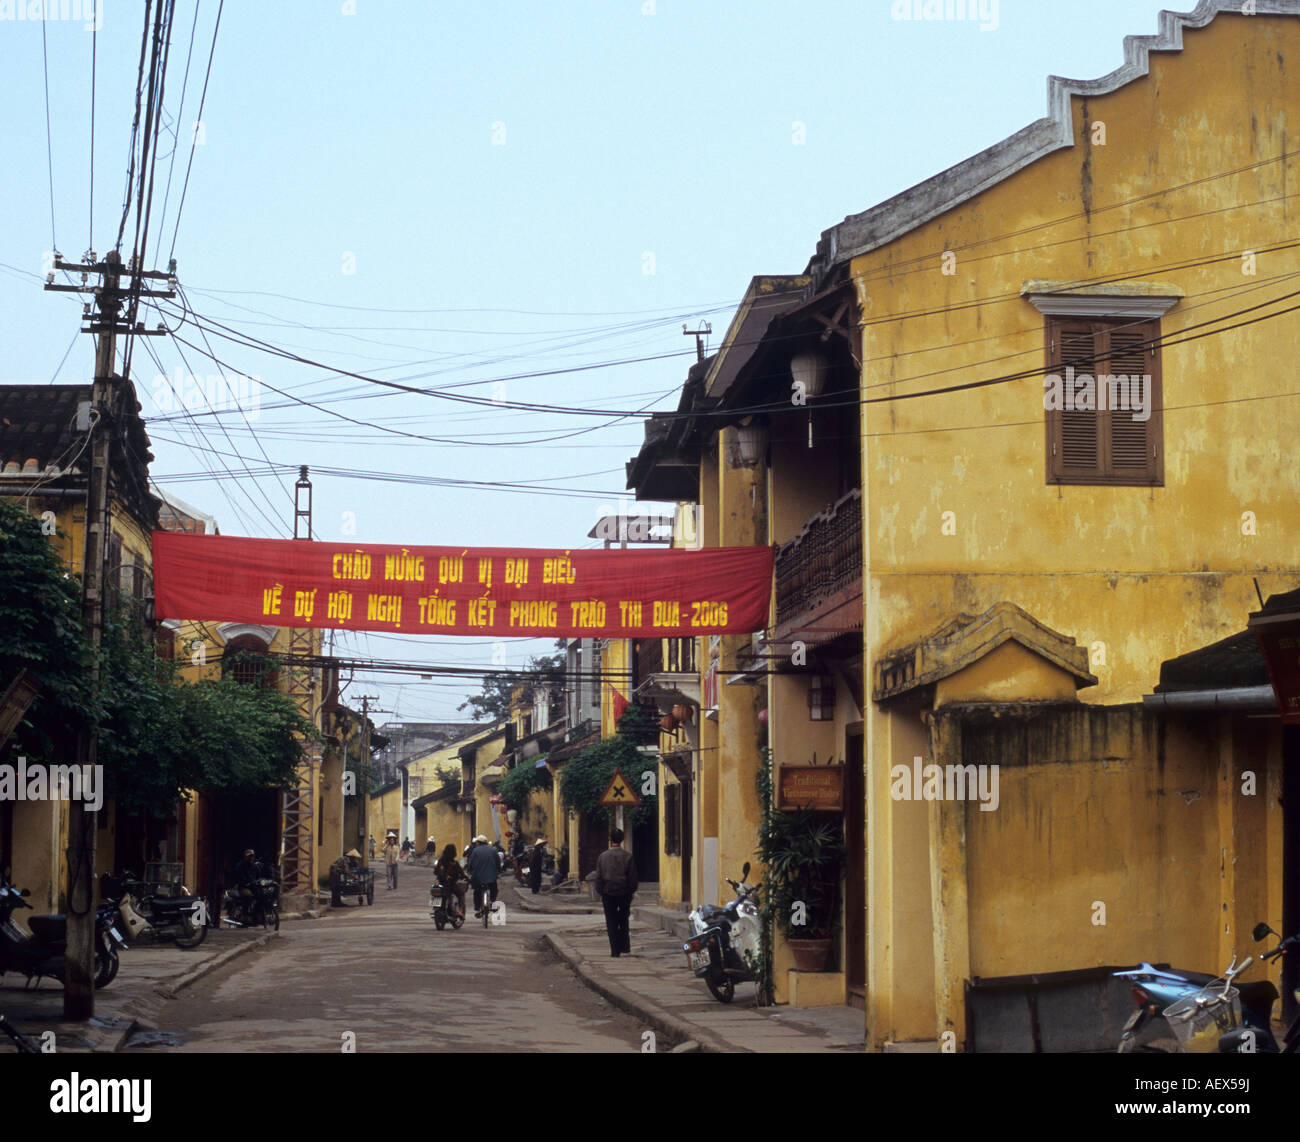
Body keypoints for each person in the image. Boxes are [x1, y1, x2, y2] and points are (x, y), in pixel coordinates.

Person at [594, 828, 638, 957]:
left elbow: (598, 876)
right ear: (622, 840)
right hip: (624, 892)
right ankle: (624, 946)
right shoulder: (628, 856)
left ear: (610, 839)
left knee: (611, 921)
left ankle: (614, 950)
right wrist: (631, 891)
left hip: (608, 892)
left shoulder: (603, 856)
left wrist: (600, 891)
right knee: (623, 920)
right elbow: (632, 877)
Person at [466, 833, 500, 917]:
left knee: (477, 891)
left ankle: (477, 908)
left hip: (478, 877)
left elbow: (470, 863)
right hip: (491, 877)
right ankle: (492, 901)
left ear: (478, 842)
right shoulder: (493, 850)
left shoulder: (475, 851)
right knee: (494, 889)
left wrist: (469, 871)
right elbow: (498, 862)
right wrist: (498, 871)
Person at [433, 843, 468, 919]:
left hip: (440, 884)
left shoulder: (440, 861)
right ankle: (460, 911)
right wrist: (465, 877)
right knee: (461, 894)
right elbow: (461, 873)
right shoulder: (454, 863)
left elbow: (435, 872)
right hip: (450, 884)